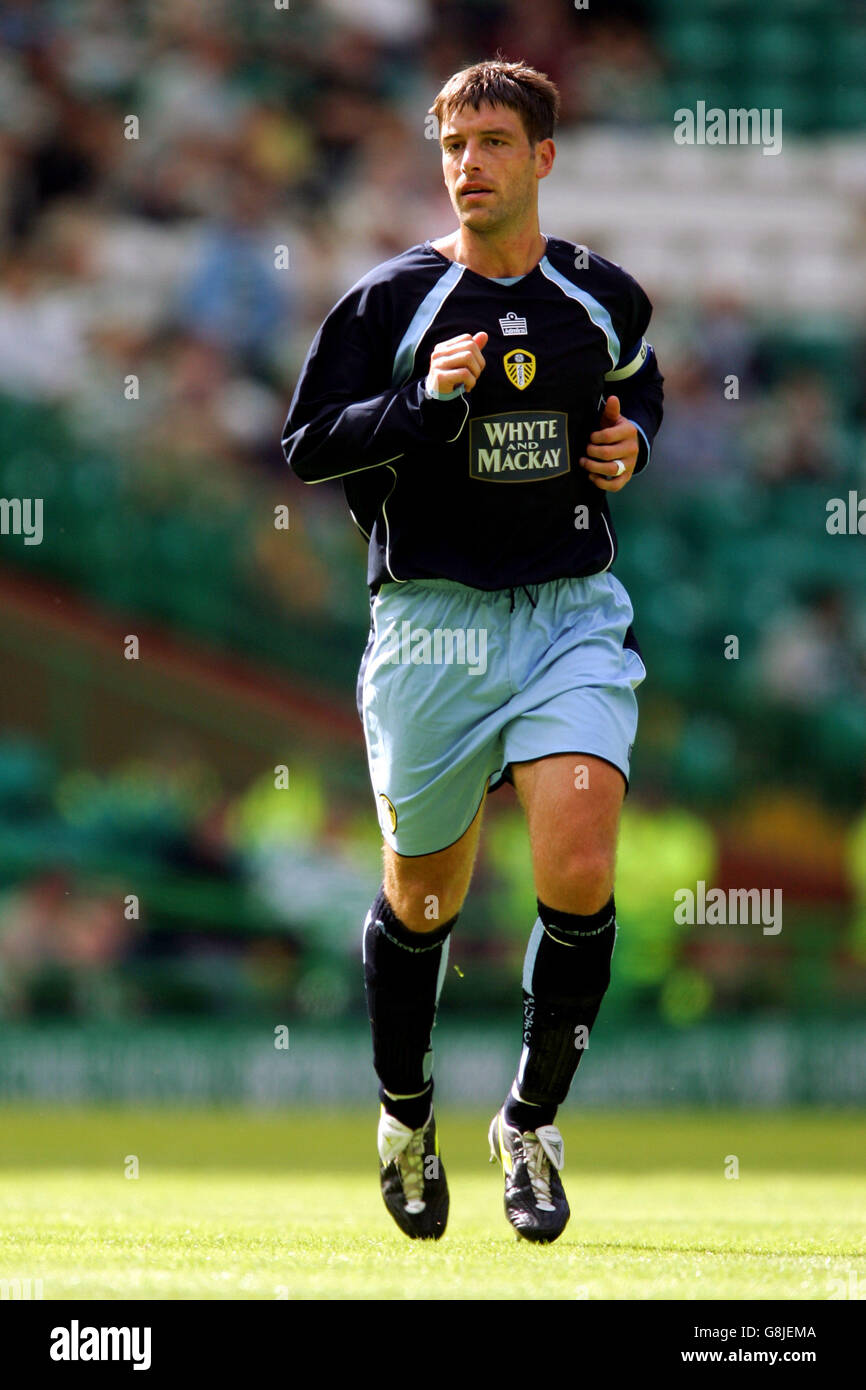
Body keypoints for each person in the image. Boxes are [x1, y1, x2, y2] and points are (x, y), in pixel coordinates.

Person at [282, 59, 664, 1244]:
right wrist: (419, 411)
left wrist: (629, 447)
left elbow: (633, 386)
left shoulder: (599, 295)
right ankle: (405, 1114)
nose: (468, 165)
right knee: (422, 900)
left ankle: (531, 1122)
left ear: (540, 158)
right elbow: (303, 443)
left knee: (580, 859)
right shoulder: (387, 304)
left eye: (492, 142)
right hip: (429, 627)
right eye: (452, 145)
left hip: (565, 610)